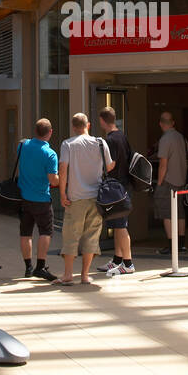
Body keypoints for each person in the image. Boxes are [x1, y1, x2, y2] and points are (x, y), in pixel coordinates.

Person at [57, 113, 114, 285]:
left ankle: (68, 274)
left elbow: (63, 169)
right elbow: (109, 165)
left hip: (76, 197)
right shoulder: (100, 143)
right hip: (96, 196)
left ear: (74, 126)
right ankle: (84, 275)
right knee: (91, 236)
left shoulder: (67, 144)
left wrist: (62, 193)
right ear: (88, 125)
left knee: (71, 236)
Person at [17, 119, 61, 282]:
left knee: (25, 232)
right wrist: (61, 178)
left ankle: (28, 267)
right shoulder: (50, 154)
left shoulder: (22, 146)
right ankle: (40, 267)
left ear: (35, 131)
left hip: (24, 197)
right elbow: (53, 179)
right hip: (41, 198)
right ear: (50, 132)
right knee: (45, 232)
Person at [98, 107, 135, 275]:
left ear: (102, 121)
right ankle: (117, 260)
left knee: (121, 227)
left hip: (117, 187)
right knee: (117, 225)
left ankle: (128, 263)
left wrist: (100, 167)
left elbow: (111, 164)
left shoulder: (110, 139)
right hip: (123, 185)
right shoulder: (122, 136)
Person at [155, 111, 188, 255]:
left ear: (161, 124)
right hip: (181, 179)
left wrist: (159, 183)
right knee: (180, 212)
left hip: (168, 180)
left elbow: (163, 163)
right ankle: (181, 244)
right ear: (173, 123)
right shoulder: (180, 137)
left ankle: (171, 244)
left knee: (166, 213)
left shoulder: (165, 139)